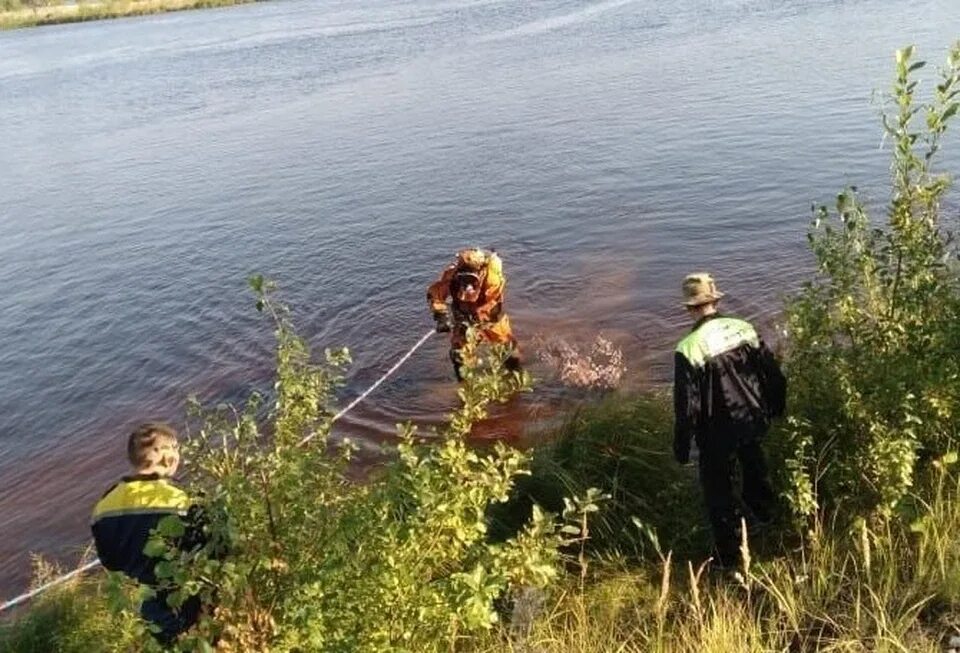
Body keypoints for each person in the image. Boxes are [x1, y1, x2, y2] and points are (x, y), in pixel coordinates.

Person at [672, 273, 786, 569]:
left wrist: (682, 448)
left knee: (718, 491)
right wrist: (775, 407)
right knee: (755, 467)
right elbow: (773, 374)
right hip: (751, 417)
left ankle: (730, 556)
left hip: (716, 433)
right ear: (716, 300)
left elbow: (687, 407)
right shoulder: (744, 328)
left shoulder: (688, 348)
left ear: (689, 308)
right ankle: (766, 517)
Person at [91, 422, 207, 646]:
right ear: (167, 459)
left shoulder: (103, 508)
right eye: (176, 450)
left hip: (148, 608)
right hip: (188, 603)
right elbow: (210, 550)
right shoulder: (184, 500)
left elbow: (110, 562)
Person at [427, 247, 522, 380]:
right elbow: (435, 293)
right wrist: (441, 315)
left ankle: (517, 377)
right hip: (463, 318)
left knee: (509, 350)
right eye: (463, 279)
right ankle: (465, 385)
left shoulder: (492, 279)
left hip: (490, 319)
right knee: (458, 355)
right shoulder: (452, 277)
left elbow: (490, 301)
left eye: (471, 279)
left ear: (480, 272)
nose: (467, 285)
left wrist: (475, 318)